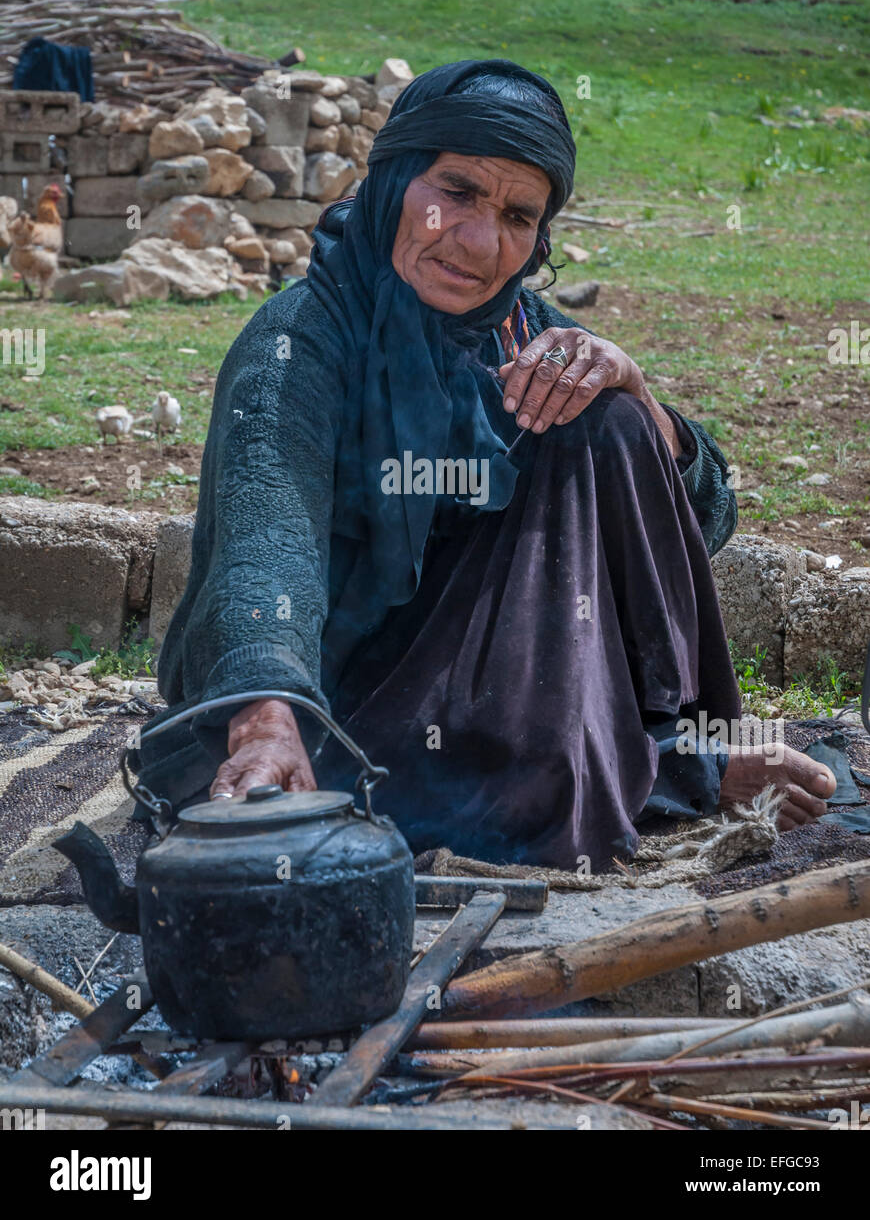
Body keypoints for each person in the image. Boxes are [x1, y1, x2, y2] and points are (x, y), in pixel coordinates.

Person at [136, 59, 835, 872]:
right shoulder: (299, 342)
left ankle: (633, 752)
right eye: (458, 191)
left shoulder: (522, 329)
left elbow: (699, 520)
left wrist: (637, 388)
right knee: (510, 784)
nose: (479, 241)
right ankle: (657, 771)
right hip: (333, 708)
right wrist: (266, 722)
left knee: (601, 419)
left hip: (501, 699)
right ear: (397, 181)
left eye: (517, 216)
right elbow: (267, 542)